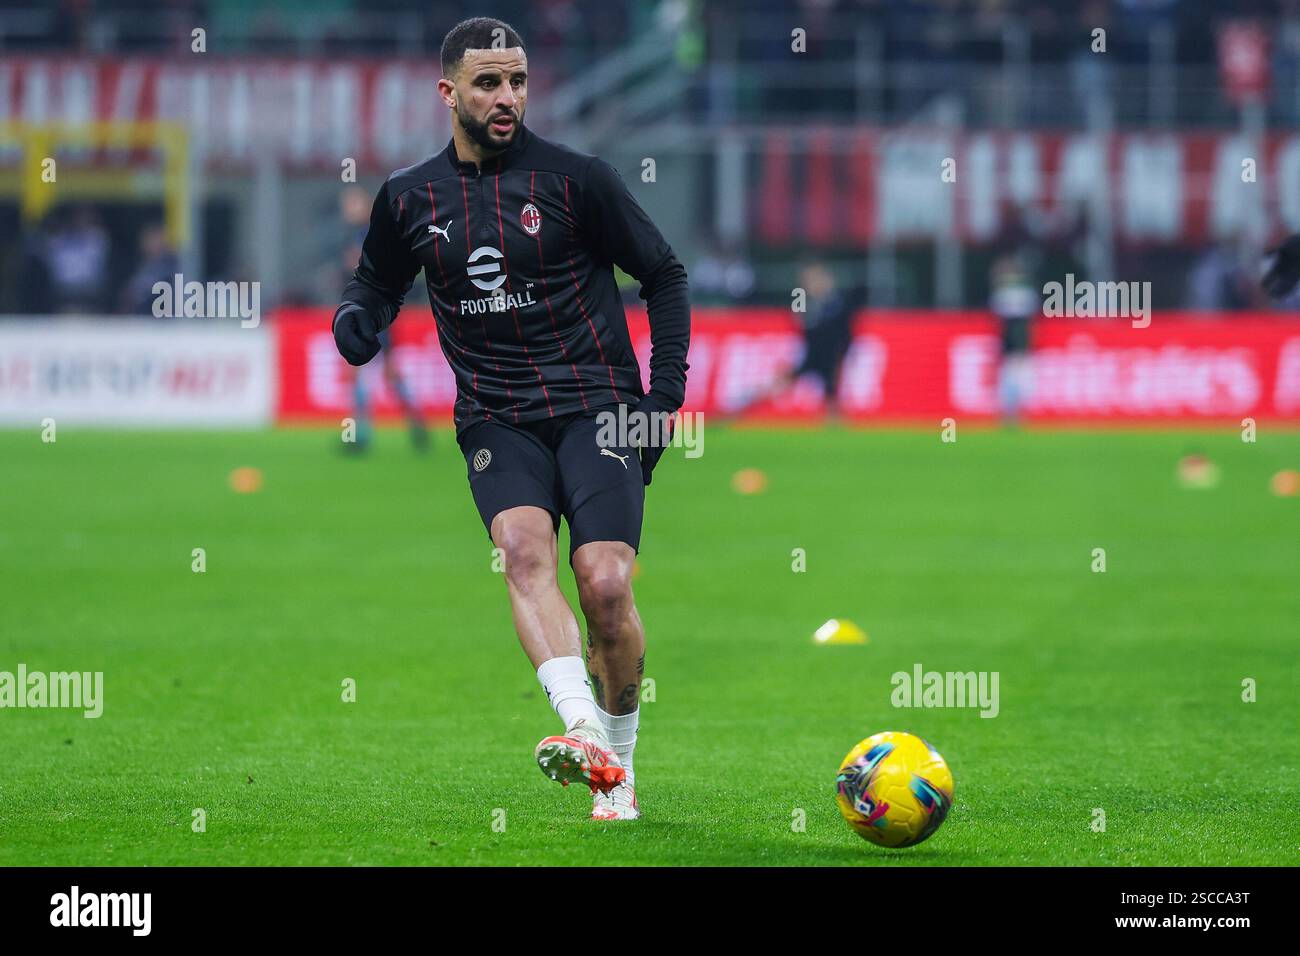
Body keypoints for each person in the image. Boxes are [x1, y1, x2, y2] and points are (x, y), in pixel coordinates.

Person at [331, 17, 691, 821]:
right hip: (497, 417)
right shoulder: (409, 197)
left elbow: (663, 273)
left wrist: (662, 401)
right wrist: (356, 317)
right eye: (489, 82)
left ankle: (620, 761)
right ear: (448, 91)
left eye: (519, 81)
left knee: (604, 584)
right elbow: (376, 286)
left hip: (599, 407)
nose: (507, 98)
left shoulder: (578, 181)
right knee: (524, 553)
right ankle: (582, 734)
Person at [335, 186, 429, 453]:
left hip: (372, 311)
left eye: (353, 204)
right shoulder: (357, 235)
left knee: (370, 372)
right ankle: (414, 426)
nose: (349, 210)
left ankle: (362, 435)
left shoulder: (369, 235)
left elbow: (369, 268)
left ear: (365, 208)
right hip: (370, 310)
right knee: (384, 373)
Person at [727, 258, 853, 419]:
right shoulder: (802, 298)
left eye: (815, 277)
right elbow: (801, 325)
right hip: (811, 357)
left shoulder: (838, 300)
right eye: (808, 278)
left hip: (830, 357)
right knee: (777, 386)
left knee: (832, 398)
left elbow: (844, 332)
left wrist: (840, 358)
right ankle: (737, 409)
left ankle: (835, 428)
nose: (812, 282)